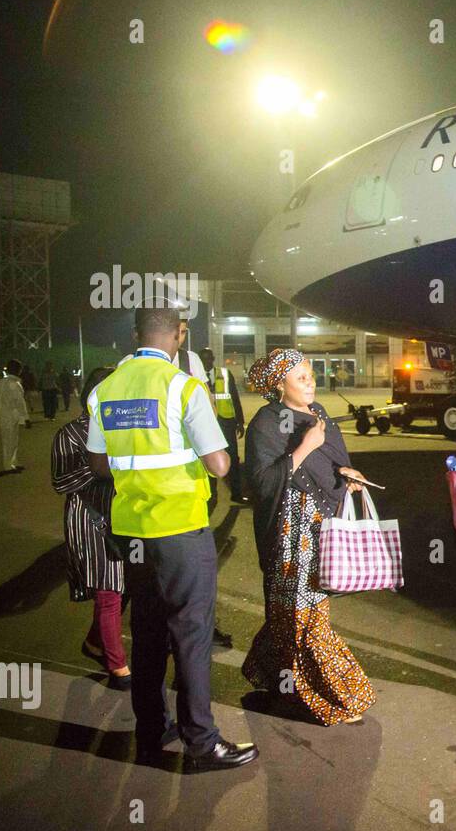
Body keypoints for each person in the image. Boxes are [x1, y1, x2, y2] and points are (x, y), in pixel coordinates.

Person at [86, 304, 258, 771]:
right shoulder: (184, 387)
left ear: (135, 335)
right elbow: (220, 464)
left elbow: (99, 464)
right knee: (192, 633)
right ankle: (201, 741)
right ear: (179, 336)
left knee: (146, 632)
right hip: (180, 528)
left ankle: (150, 729)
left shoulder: (105, 389)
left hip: (132, 531)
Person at [240, 348, 377, 726]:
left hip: (322, 531)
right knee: (305, 618)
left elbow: (330, 464)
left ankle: (272, 675)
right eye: (301, 377)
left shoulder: (320, 416)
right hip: (289, 536)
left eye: (311, 374)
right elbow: (263, 484)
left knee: (292, 615)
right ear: (279, 385)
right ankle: (337, 694)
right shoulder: (266, 423)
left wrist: (345, 477)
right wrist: (304, 448)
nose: (311, 381)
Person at [52, 366, 131, 690]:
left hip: (125, 517)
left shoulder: (125, 429)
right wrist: (103, 465)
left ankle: (94, 641)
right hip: (89, 518)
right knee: (109, 591)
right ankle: (117, 665)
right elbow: (61, 482)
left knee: (122, 588)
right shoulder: (70, 434)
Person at [201, 348, 248, 506]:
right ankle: (210, 494)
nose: (206, 361)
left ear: (213, 359)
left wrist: (240, 421)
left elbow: (235, 398)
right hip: (206, 424)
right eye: (203, 358)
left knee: (233, 458)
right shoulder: (194, 377)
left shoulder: (225, 374)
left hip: (226, 422)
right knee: (207, 458)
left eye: (208, 358)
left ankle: (236, 493)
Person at [0, 359, 28, 472]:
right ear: (17, 370)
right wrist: (26, 417)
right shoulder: (15, 383)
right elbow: (20, 402)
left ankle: (12, 462)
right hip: (11, 414)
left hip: (5, 414)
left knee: (11, 440)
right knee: (10, 440)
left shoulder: (3, 382)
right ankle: (8, 465)